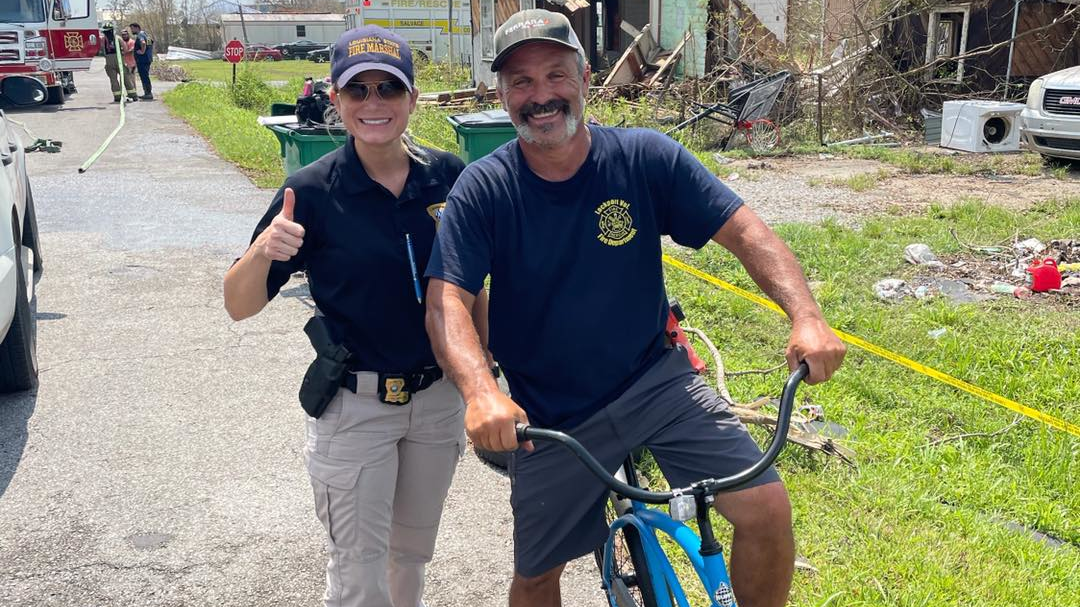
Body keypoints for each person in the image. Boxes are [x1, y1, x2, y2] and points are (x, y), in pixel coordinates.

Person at [424, 9, 846, 607]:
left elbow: (746, 231)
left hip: (657, 383)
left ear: (585, 79)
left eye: (555, 75)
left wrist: (806, 316)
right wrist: (481, 392)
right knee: (537, 574)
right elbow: (447, 300)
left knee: (767, 509)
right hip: (551, 413)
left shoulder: (644, 157)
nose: (541, 95)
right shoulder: (484, 189)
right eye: (521, 82)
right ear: (502, 96)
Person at [224, 26, 476, 607]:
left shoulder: (448, 176)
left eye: (389, 88)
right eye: (357, 90)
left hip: (438, 403)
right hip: (357, 406)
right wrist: (263, 251)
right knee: (359, 573)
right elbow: (238, 305)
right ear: (335, 100)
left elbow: (475, 288)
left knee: (409, 558)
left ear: (412, 99)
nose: (373, 103)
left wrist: (491, 378)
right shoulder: (311, 192)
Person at [101, 25, 137, 103]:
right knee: (125, 77)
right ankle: (133, 95)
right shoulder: (118, 38)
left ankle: (117, 96)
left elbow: (102, 50)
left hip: (109, 61)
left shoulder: (103, 39)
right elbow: (125, 49)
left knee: (113, 80)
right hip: (119, 60)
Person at [129, 23, 153, 100]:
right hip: (147, 58)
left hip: (142, 60)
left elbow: (143, 43)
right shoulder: (146, 34)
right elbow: (151, 43)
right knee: (145, 76)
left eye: (132, 29)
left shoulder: (140, 35)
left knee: (144, 77)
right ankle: (147, 93)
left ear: (137, 28)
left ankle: (148, 93)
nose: (131, 31)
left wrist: (142, 51)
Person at [119, 29, 139, 100]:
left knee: (132, 79)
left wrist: (124, 51)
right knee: (126, 80)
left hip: (132, 63)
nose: (124, 36)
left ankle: (134, 94)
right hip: (124, 64)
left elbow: (131, 50)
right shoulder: (122, 42)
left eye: (125, 34)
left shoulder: (132, 42)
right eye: (123, 35)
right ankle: (129, 94)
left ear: (128, 35)